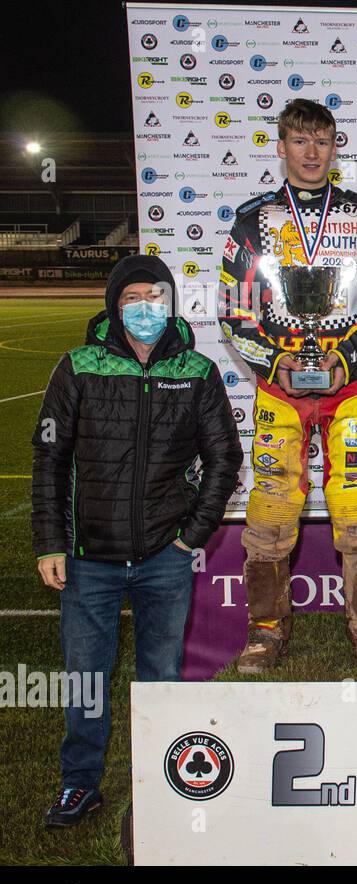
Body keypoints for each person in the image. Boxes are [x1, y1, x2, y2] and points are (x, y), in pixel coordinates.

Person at [32, 254, 241, 828]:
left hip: (163, 559)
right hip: (87, 560)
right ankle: (80, 785)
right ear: (113, 305)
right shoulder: (78, 366)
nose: (146, 308)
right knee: (86, 680)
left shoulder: (196, 371)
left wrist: (191, 535)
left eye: (157, 295)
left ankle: (163, 783)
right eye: (133, 298)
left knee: (161, 678)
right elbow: (49, 459)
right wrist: (51, 542)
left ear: (172, 302)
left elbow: (225, 458)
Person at [218, 98, 357, 671]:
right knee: (271, 511)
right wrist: (276, 365)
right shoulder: (253, 221)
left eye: (321, 141)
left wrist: (344, 362)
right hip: (280, 390)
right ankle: (266, 630)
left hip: (349, 387)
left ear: (334, 147)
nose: (311, 152)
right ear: (281, 147)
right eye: (299, 141)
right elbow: (233, 312)